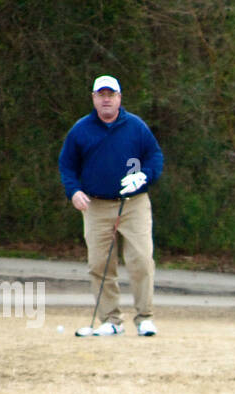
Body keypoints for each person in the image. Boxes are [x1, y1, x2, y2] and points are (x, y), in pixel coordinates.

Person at [59, 75, 163, 336]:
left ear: (119, 98)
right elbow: (67, 165)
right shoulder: (81, 130)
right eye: (101, 94)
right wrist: (73, 192)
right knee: (99, 263)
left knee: (141, 259)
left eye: (111, 94)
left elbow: (154, 156)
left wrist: (145, 175)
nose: (106, 99)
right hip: (95, 205)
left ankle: (145, 318)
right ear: (94, 98)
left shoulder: (136, 127)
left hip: (134, 203)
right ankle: (111, 321)